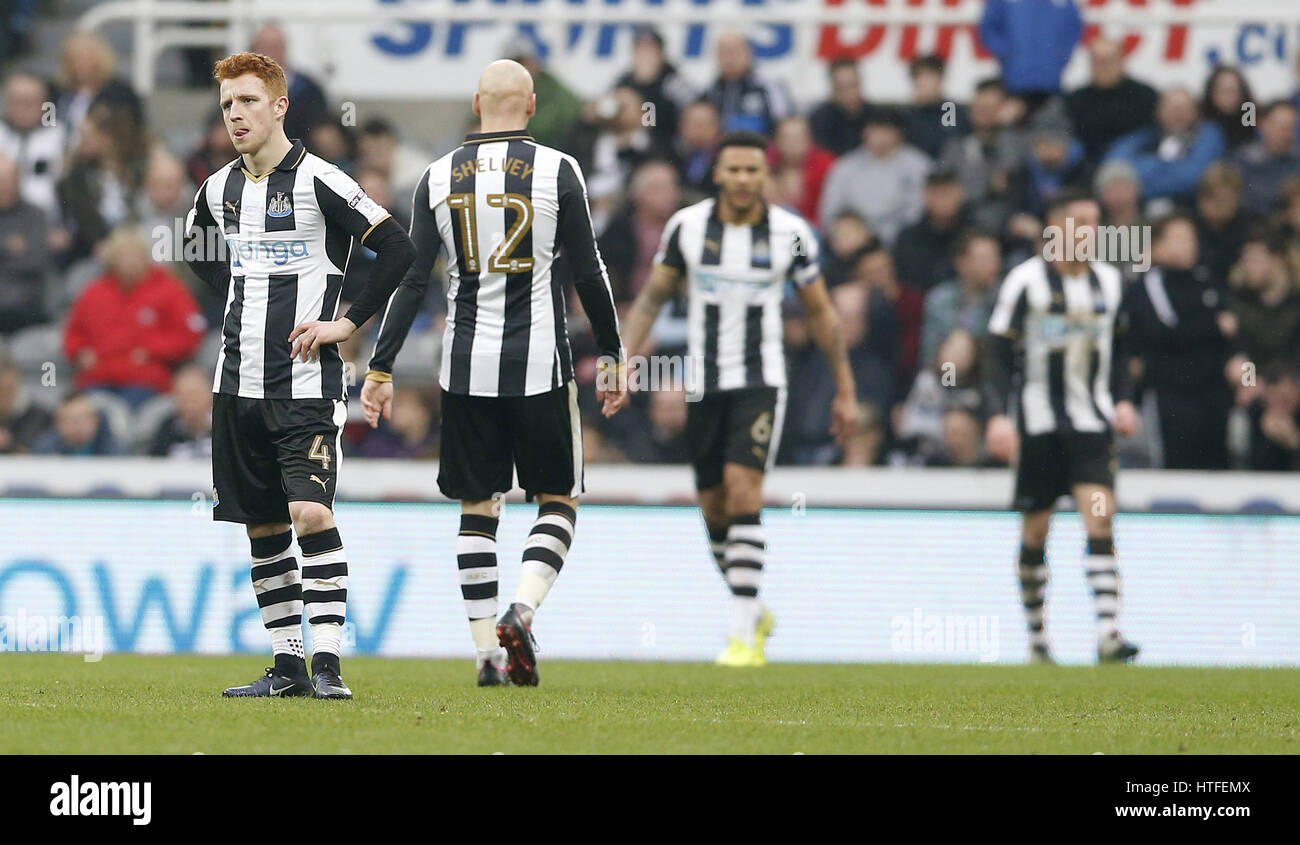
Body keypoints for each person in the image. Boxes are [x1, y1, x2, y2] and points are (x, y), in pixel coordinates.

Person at [359, 60, 626, 688]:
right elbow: (590, 272)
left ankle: (485, 656)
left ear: (478, 103)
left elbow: (412, 278)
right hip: (540, 364)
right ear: (531, 106)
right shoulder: (559, 170)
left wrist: (381, 365)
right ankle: (523, 610)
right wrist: (613, 355)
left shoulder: (434, 176)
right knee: (558, 499)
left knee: (478, 508)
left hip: (464, 365)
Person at [183, 52, 416, 700]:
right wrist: (241, 299)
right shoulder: (216, 189)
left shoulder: (321, 181)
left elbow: (398, 245)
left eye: (250, 101)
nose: (237, 115)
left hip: (307, 384)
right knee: (263, 524)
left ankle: (328, 664)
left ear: (280, 106)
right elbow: (196, 249)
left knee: (309, 512)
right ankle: (285, 666)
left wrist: (349, 325)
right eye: (229, 104)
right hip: (236, 384)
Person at [620, 131, 858, 667]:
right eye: (735, 171)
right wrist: (622, 358)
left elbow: (820, 311)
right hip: (704, 384)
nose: (745, 180)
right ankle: (754, 610)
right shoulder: (687, 227)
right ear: (719, 175)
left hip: (761, 381)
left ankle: (742, 636)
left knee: (742, 486)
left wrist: (845, 387)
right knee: (714, 506)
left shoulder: (791, 233)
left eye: (754, 170)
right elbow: (653, 297)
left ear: (765, 175)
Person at [983, 189, 1141, 665]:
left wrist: (1125, 402)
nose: (1090, 232)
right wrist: (996, 415)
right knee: (1037, 530)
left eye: (1095, 223)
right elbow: (996, 354)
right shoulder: (1025, 281)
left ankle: (1109, 633)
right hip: (1039, 425)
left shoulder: (1111, 283)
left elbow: (1120, 354)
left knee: (1101, 514)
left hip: (1092, 424)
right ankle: (1037, 639)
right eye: (1080, 222)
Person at [1125, 214, 1234, 469]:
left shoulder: (1206, 280)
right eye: (1178, 239)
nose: (1188, 246)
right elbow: (1163, 333)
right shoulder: (1148, 285)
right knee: (1175, 466)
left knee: (1217, 464)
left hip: (1213, 391)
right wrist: (1213, 327)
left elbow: (1232, 328)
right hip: (1170, 395)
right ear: (1156, 246)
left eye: (1190, 239)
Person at [63, 226, 204, 406]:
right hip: (98, 377)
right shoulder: (94, 292)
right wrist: (81, 351)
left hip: (145, 379)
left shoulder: (169, 289)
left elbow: (190, 333)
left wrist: (152, 350)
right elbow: (73, 333)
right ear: (113, 260)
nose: (129, 262)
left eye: (135, 255)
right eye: (123, 256)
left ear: (146, 258)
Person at [818, 107, 931, 246]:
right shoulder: (845, 166)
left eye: (884, 129)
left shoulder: (919, 166)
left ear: (898, 133)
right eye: (873, 129)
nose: (878, 135)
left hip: (903, 243)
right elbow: (830, 213)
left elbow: (918, 212)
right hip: (853, 244)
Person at [1064, 36, 1158, 166]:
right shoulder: (1075, 98)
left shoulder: (1145, 95)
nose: (1102, 67)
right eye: (1097, 61)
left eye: (1108, 61)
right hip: (1086, 158)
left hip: (1128, 162)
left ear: (1121, 61)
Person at [701, 33, 791, 136]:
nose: (729, 58)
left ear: (749, 53)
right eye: (723, 52)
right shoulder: (710, 92)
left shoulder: (769, 88)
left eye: (734, 51)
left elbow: (784, 124)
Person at [148, 364, 214, 458]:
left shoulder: (225, 427)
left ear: (210, 396)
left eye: (194, 397)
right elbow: (154, 464)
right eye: (183, 398)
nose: (189, 404)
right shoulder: (168, 428)